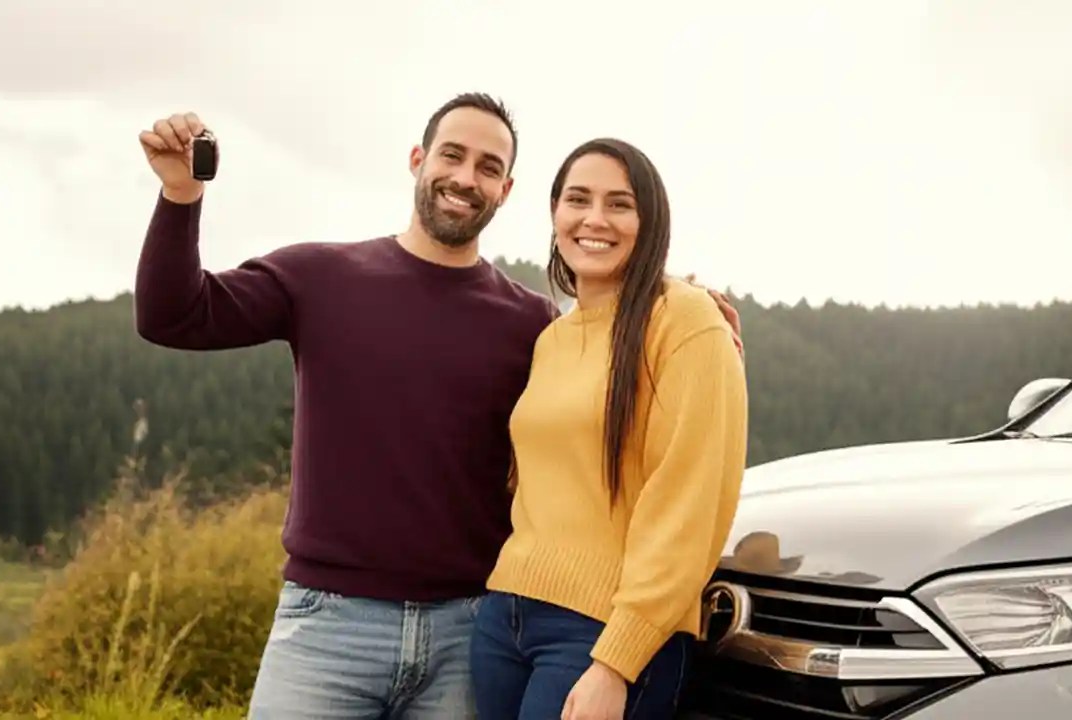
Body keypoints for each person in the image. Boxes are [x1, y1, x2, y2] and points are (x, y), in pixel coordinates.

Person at [132, 94, 742, 719]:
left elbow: (609, 379)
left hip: (469, 633)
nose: (465, 177)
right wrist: (181, 195)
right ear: (419, 160)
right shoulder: (321, 278)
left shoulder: (533, 323)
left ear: (505, 190)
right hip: (328, 628)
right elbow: (173, 315)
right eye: (452, 155)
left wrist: (679, 307)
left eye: (487, 167)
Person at [468, 138, 749, 719]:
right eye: (578, 199)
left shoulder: (686, 318)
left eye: (619, 204)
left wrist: (617, 660)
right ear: (554, 215)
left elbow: (689, 502)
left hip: (603, 634)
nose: (595, 219)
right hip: (504, 621)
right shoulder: (552, 339)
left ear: (649, 221)